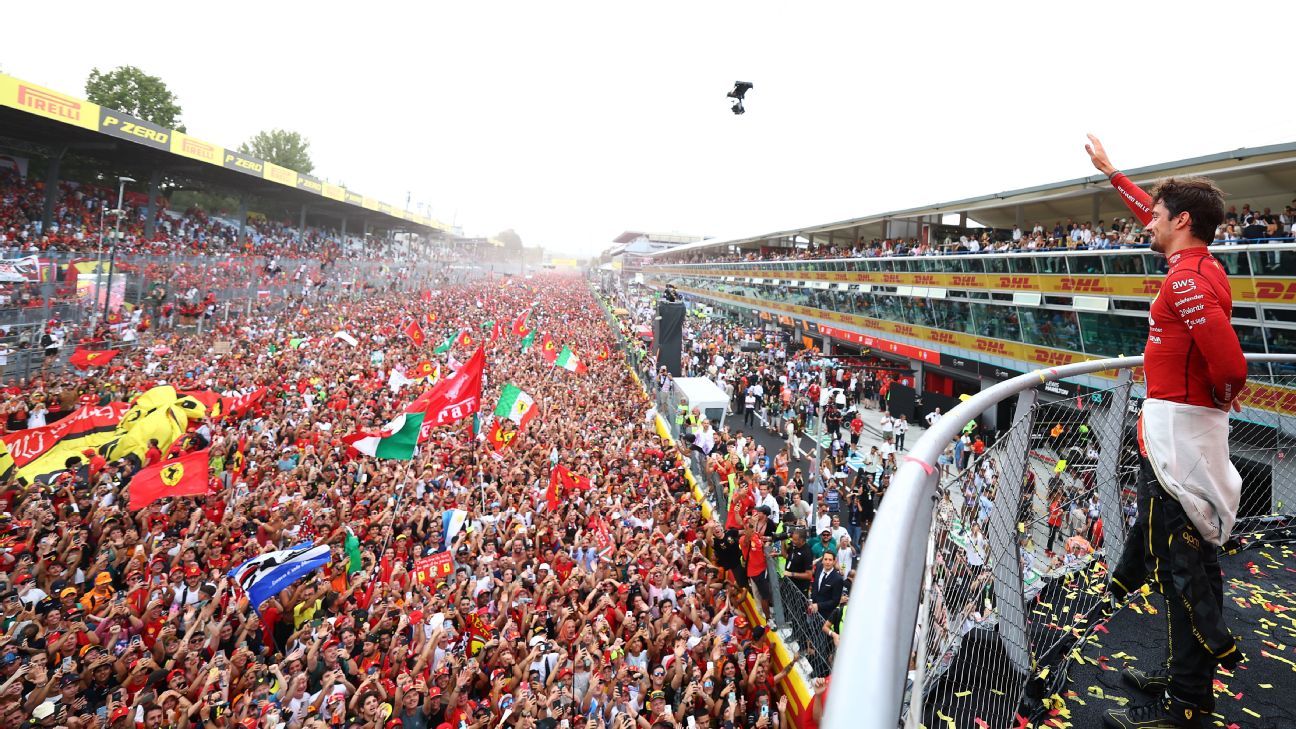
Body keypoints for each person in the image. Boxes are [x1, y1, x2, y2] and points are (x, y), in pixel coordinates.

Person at [1086, 134, 1246, 729]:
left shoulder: (1186, 279)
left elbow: (1232, 369)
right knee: (1188, 561)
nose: (1144, 224)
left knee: (1183, 569)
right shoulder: (1195, 264)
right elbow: (1154, 215)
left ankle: (1187, 704)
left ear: (1181, 221)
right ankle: (1186, 674)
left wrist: (1212, 402)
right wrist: (1114, 175)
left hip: (1181, 438)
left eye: (1155, 216)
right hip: (1183, 430)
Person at [808, 553, 844, 618]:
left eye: (830, 560)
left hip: (826, 615)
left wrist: (818, 605)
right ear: (822, 561)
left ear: (834, 561)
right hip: (812, 610)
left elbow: (835, 601)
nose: (827, 562)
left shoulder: (838, 579)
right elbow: (815, 586)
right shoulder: (819, 567)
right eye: (825, 559)